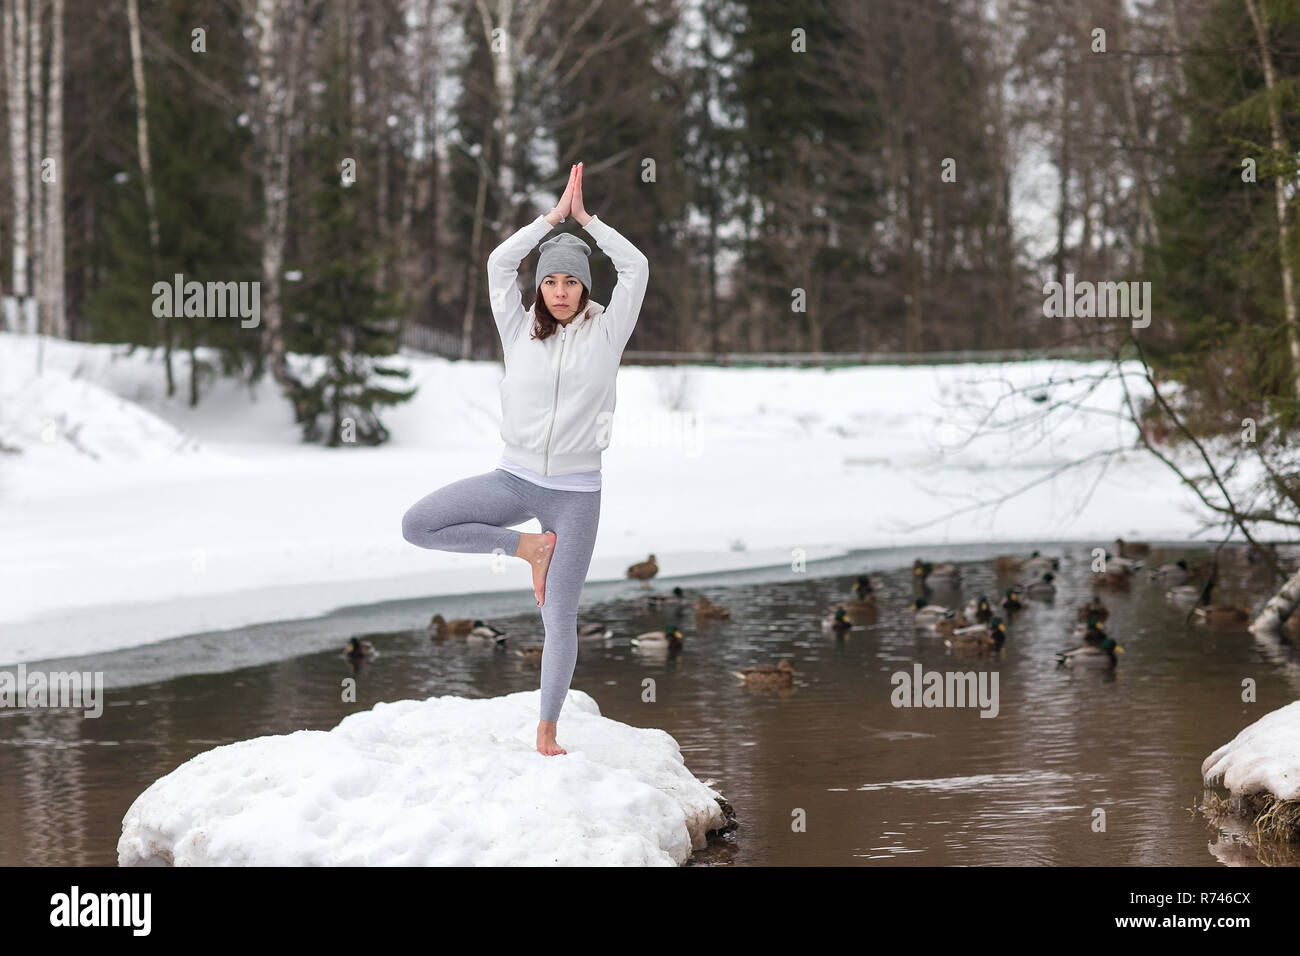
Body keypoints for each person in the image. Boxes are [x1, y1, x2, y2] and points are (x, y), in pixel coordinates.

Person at [401, 162, 649, 756]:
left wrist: (587, 222)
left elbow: (636, 265)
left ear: (587, 287)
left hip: (575, 492)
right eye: (551, 281)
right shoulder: (517, 328)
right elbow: (497, 264)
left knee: (560, 617)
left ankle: (547, 728)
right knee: (418, 524)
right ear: (539, 286)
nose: (560, 292)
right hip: (512, 478)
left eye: (571, 282)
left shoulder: (607, 332)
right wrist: (549, 221)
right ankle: (525, 550)